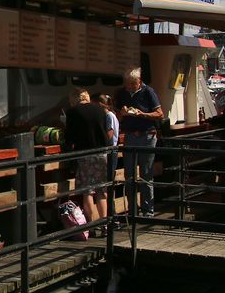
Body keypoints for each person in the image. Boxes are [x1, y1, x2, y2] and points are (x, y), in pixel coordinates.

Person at [117, 67, 163, 217]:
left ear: (139, 81)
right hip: (130, 135)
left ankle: (147, 209)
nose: (130, 86)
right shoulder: (123, 93)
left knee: (146, 173)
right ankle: (133, 209)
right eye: (128, 84)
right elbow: (117, 115)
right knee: (129, 175)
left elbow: (159, 113)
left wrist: (142, 114)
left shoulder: (148, 91)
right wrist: (122, 113)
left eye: (133, 83)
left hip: (147, 135)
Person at [63, 88, 110, 229]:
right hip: (102, 153)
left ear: (74, 99)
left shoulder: (73, 112)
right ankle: (104, 224)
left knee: (87, 191)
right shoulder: (99, 110)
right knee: (101, 191)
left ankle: (92, 225)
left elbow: (69, 136)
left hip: (85, 154)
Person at [98, 93, 120, 177]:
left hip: (110, 150)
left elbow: (109, 133)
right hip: (109, 149)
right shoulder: (107, 115)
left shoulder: (109, 116)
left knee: (108, 174)